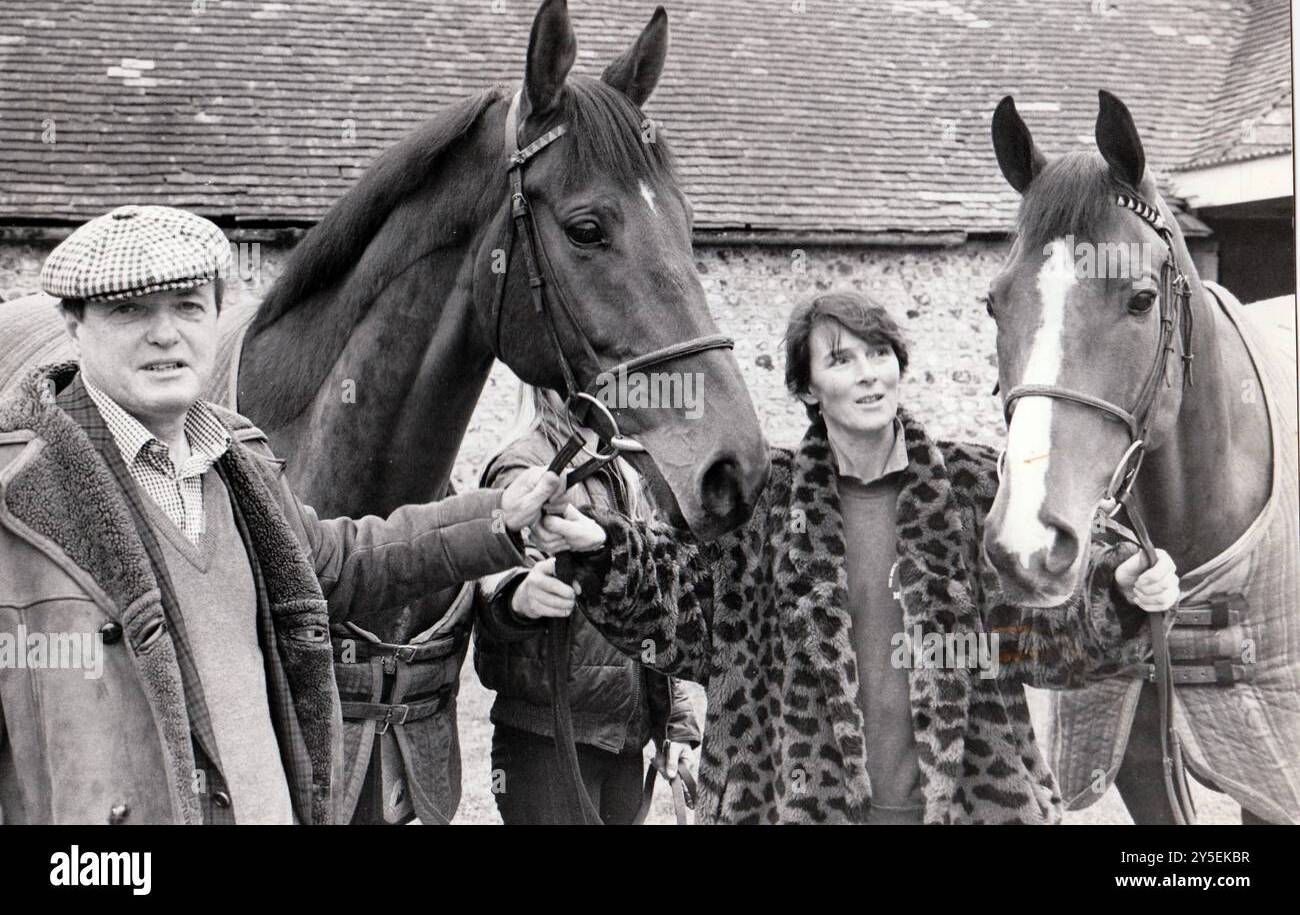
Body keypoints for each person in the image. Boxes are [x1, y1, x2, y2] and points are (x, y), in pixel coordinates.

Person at [0, 205, 562, 825]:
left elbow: (344, 561)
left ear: (216, 317)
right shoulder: (18, 498)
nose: (165, 334)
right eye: (128, 309)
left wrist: (500, 519)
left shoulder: (237, 462)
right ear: (74, 326)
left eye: (188, 305)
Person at [529, 289, 1180, 824]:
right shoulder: (764, 499)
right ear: (808, 389)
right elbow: (686, 609)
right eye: (841, 360)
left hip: (970, 808)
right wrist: (603, 549)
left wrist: (1118, 593)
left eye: (880, 354)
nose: (869, 373)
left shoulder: (974, 488)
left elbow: (1042, 636)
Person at [474, 385, 701, 824]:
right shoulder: (523, 465)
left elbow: (651, 608)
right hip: (548, 744)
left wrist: (675, 725)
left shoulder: (623, 469)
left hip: (623, 743)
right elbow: (491, 594)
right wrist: (519, 597)